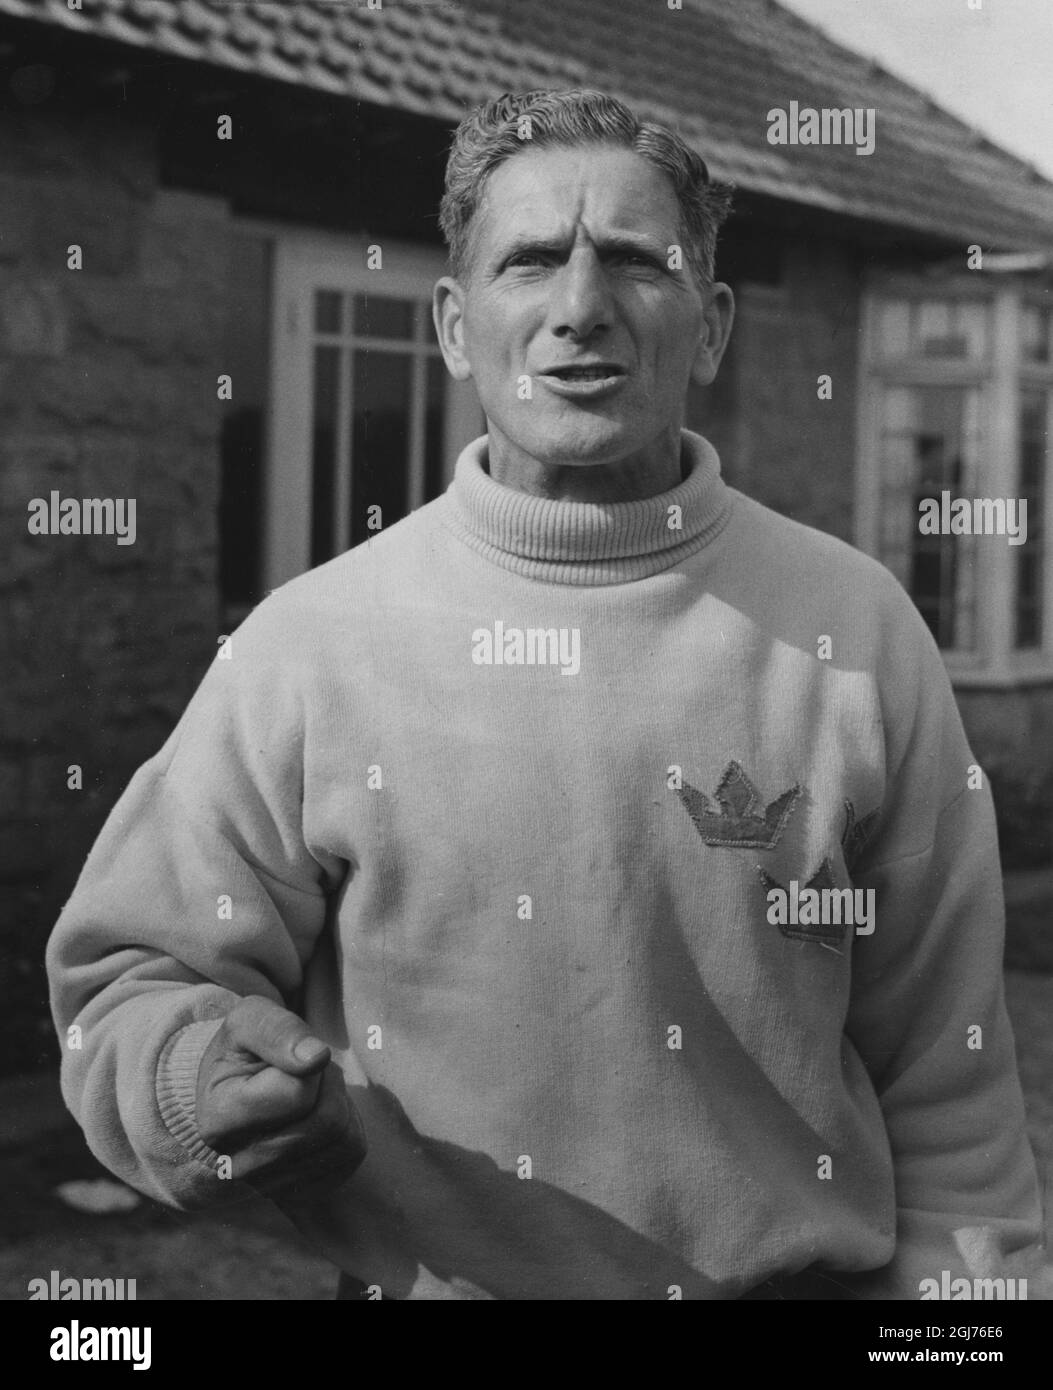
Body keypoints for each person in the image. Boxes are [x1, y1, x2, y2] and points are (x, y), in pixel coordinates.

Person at [47, 88, 1043, 1301]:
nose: (582, 308)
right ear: (457, 328)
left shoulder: (854, 632)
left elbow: (953, 1097)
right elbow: (129, 977)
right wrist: (190, 1082)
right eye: (531, 262)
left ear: (714, 326)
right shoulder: (309, 647)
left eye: (635, 260)